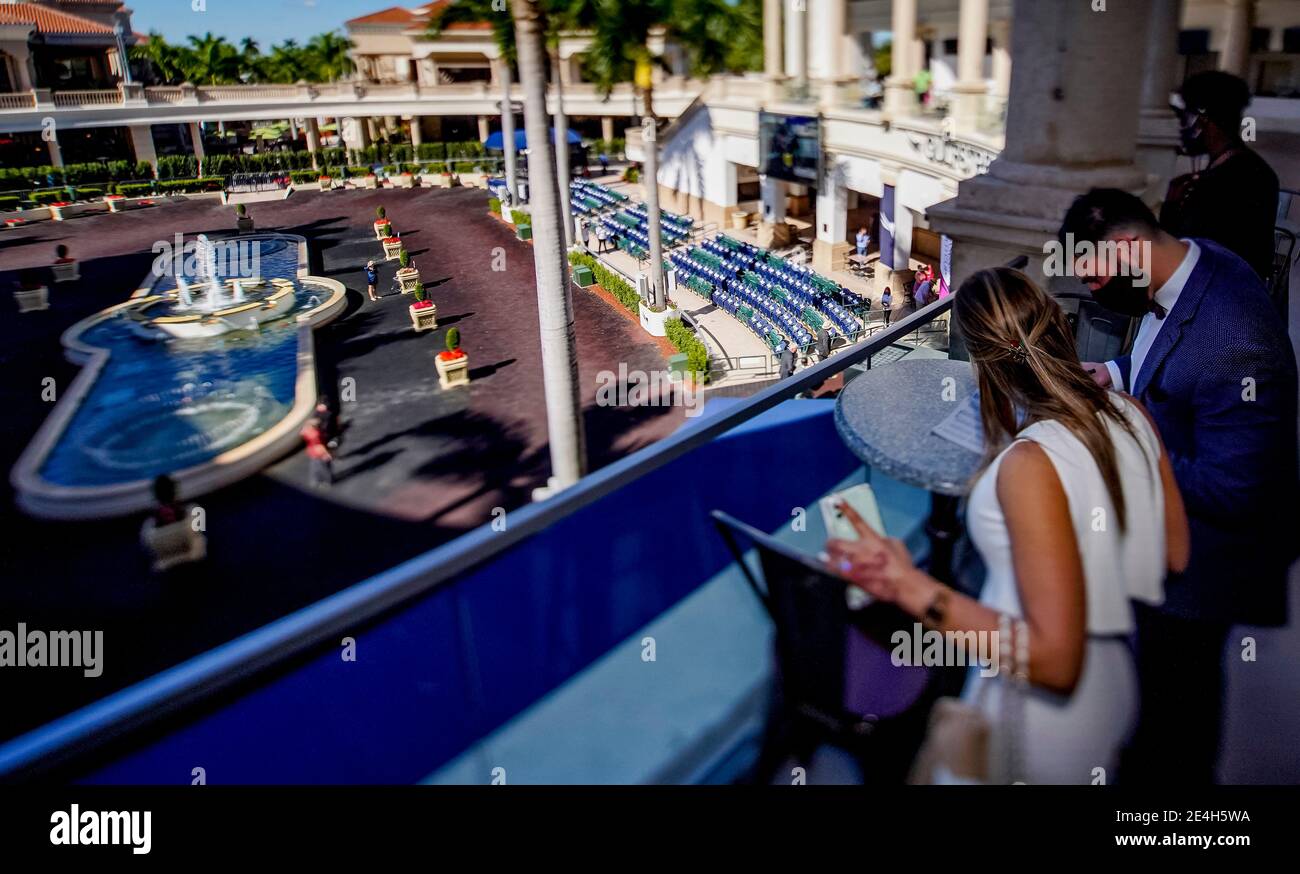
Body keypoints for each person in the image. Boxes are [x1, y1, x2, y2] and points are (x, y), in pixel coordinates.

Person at [826, 267, 1189, 784]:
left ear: (981, 359)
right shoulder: (1131, 411)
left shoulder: (1029, 464)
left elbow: (1056, 660)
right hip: (1114, 679)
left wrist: (909, 586)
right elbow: (1175, 555)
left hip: (1040, 719)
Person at [1066, 188, 1298, 784]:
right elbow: (1171, 364)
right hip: (1164, 540)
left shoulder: (1236, 341)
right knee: (1159, 699)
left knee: (1178, 709)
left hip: (1199, 568)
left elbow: (1236, 489)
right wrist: (1115, 375)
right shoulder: (1196, 258)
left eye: (1095, 279)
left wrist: (1130, 439)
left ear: (1127, 249)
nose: (1094, 294)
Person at [1161, 71, 1279, 280]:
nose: (1181, 126)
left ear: (1203, 119)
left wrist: (1171, 206)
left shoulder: (1221, 183)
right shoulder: (1255, 169)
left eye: (1187, 115)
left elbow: (1179, 254)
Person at [301, 417, 334, 488]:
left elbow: (302, 432)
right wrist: (327, 454)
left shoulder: (306, 432)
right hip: (319, 452)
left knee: (315, 467)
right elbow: (320, 445)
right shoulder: (316, 434)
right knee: (325, 467)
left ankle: (315, 482)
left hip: (312, 452)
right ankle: (328, 481)